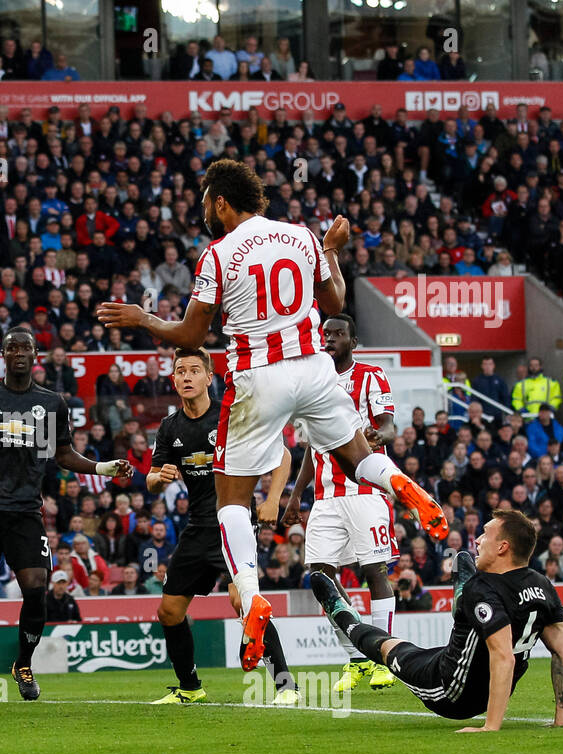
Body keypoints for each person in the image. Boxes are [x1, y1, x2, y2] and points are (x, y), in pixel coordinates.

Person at [97, 158, 447, 674]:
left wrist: (142, 317)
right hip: (313, 366)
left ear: (220, 201)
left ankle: (252, 595)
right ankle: (405, 487)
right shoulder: (302, 235)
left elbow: (192, 336)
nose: (202, 213)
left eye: (204, 204)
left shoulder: (218, 253)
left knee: (231, 495)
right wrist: (332, 250)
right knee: (354, 454)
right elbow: (335, 301)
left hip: (259, 376)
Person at [0, 328, 131, 706]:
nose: (19, 353)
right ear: (2, 353)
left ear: (36, 354)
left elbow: (63, 455)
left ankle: (23, 664)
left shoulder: (50, 403)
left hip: (25, 511)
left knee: (36, 590)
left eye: (26, 347)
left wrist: (102, 468)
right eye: (12, 347)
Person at [311, 510, 563, 730]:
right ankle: (461, 604)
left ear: (503, 547)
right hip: (479, 676)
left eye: (485, 534)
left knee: (387, 647)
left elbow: (504, 656)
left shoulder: (484, 589)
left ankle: (343, 615)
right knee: (465, 626)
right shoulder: (542, 584)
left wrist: (490, 727)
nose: (478, 540)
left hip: (449, 689)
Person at [145, 346, 298, 705]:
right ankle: (190, 688)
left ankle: (286, 686)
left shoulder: (231, 416)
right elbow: (151, 478)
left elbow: (283, 455)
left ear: (208, 377)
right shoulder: (170, 427)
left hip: (235, 520)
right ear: (173, 379)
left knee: (242, 601)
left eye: (194, 370)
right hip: (198, 526)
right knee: (168, 611)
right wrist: (159, 477)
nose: (186, 377)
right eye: (180, 371)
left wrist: (273, 499)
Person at [283, 315, 400, 693]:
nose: (329, 339)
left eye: (337, 334)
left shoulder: (371, 377)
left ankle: (386, 656)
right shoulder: (312, 384)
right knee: (320, 577)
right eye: (326, 334)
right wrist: (297, 492)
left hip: (364, 490)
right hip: (325, 496)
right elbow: (311, 447)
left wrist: (377, 434)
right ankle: (356, 657)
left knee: (373, 571)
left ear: (354, 340)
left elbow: (389, 425)